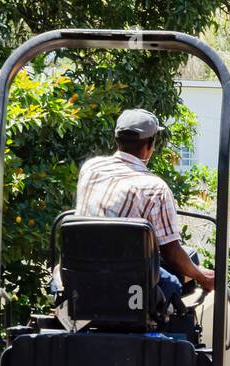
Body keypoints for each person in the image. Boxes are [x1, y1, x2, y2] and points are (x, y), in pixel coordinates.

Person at [75, 109, 215, 323]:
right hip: (128, 284)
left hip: (81, 271)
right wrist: (203, 276)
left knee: (189, 256)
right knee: (186, 260)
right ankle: (175, 321)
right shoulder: (154, 188)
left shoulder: (90, 169)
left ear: (117, 140)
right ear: (150, 145)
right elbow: (172, 252)